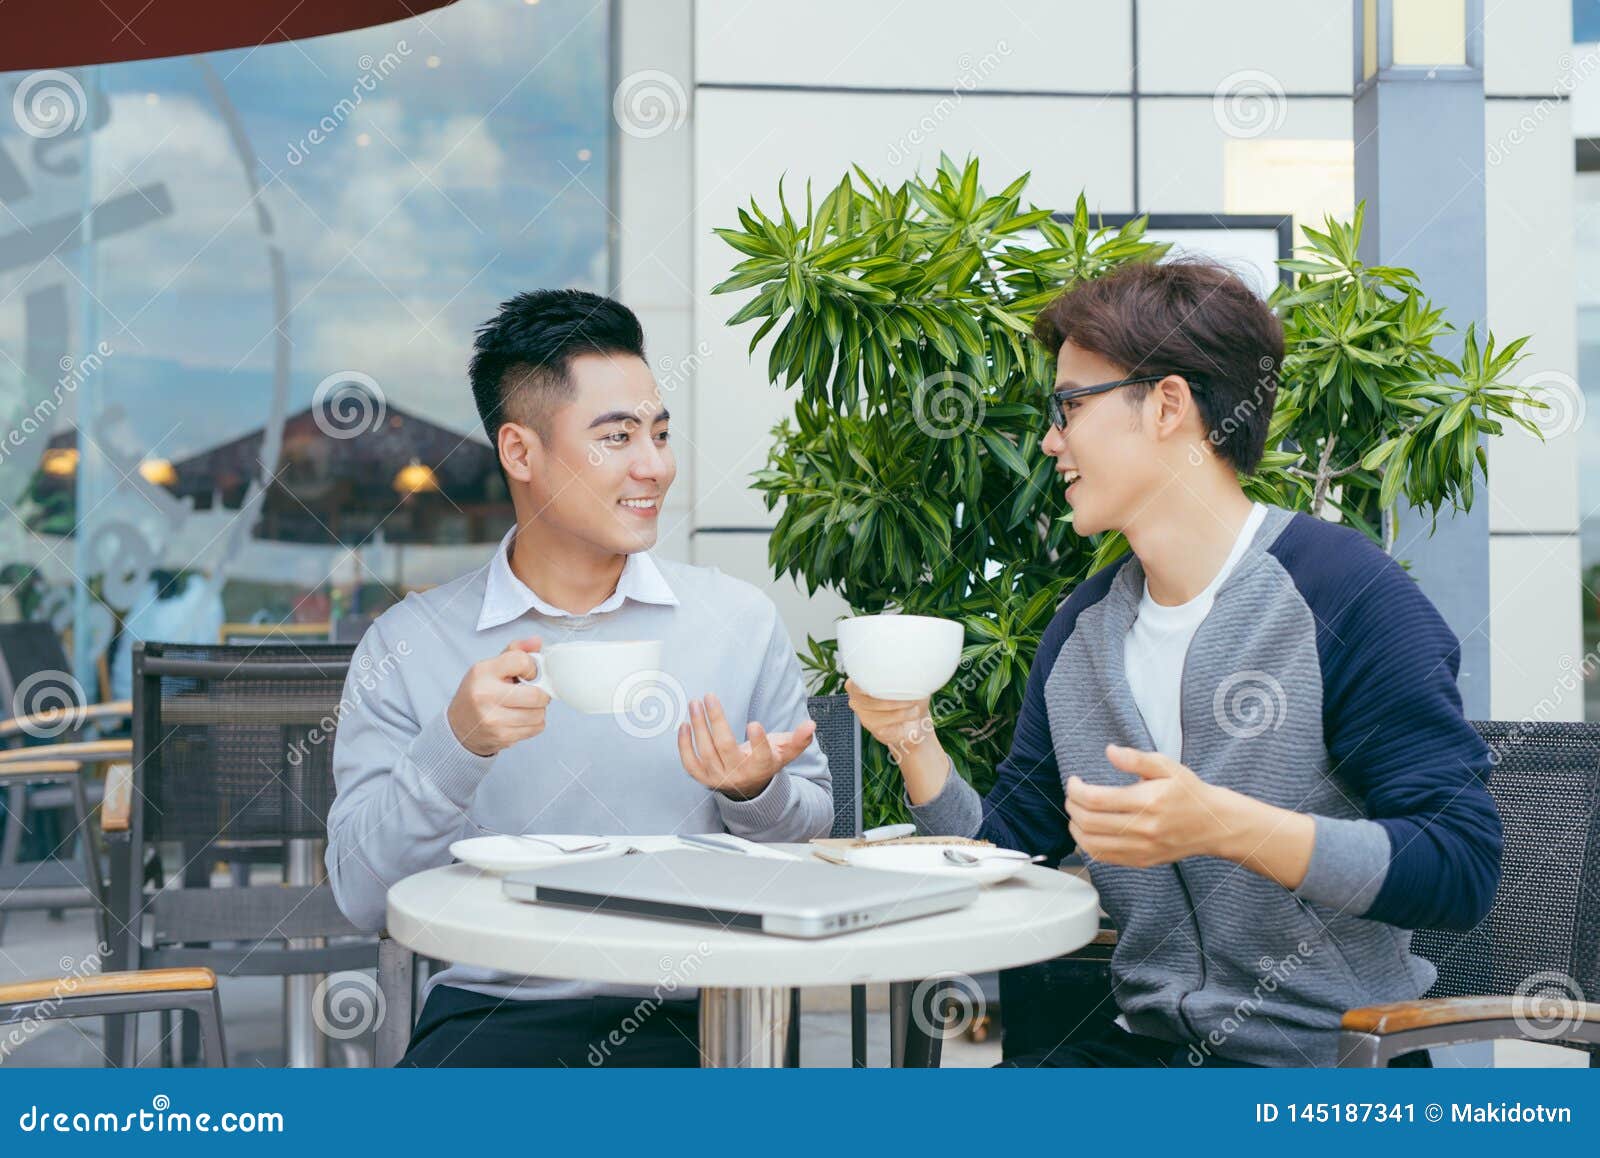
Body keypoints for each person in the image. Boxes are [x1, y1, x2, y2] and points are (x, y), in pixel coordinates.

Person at [848, 259, 1502, 1068]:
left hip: (1328, 1072)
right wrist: (912, 738)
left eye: (1068, 407)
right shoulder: (1084, 631)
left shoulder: (1346, 597)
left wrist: (1227, 826)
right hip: (1150, 1054)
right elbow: (1008, 845)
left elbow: (1459, 866)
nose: (1051, 440)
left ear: (1166, 405)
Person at [326, 289, 832, 1067]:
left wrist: (753, 793)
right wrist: (454, 747)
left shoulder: (737, 619)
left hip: (704, 1017)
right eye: (617, 436)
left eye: (660, 434)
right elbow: (361, 896)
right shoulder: (410, 645)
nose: (654, 466)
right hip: (497, 1015)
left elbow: (810, 843)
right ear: (521, 452)